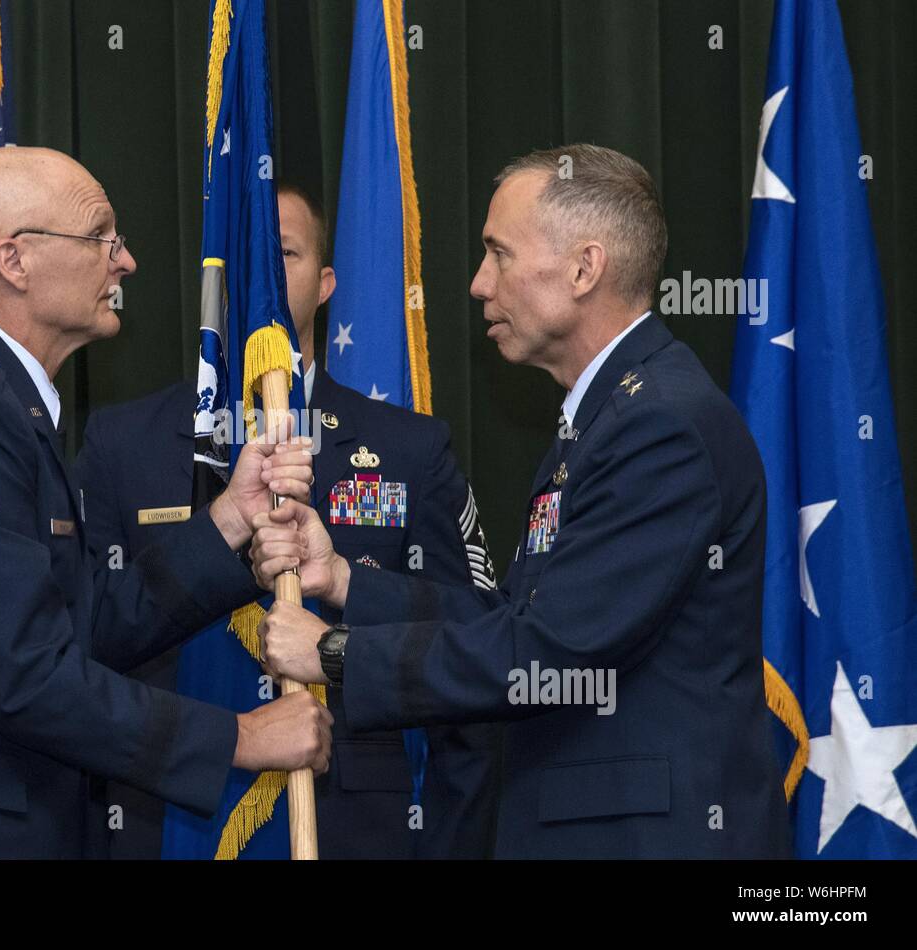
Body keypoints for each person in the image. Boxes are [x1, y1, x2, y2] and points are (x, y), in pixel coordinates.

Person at [0, 147, 331, 859]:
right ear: (15, 261)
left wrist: (230, 519)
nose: (125, 261)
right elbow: (28, 675)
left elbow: (83, 625)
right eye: (102, 236)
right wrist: (243, 737)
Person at [251, 145, 793, 858]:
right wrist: (348, 583)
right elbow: (518, 617)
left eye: (499, 254)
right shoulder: (608, 414)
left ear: (583, 269)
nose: (478, 284)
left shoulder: (660, 426)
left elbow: (547, 653)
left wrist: (335, 652)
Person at [76, 182, 501, 859]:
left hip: (350, 824)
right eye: (243, 259)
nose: (261, 279)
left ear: (326, 282)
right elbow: (84, 644)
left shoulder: (408, 449)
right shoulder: (122, 444)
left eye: (283, 256)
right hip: (169, 819)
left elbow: (481, 635)